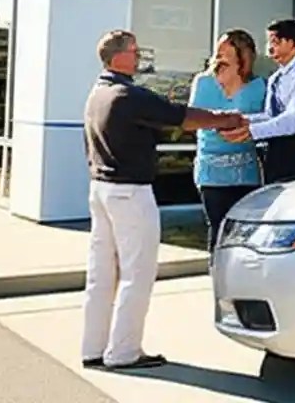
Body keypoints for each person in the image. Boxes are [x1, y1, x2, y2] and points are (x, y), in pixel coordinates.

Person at [81, 29, 244, 370]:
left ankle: (93, 348)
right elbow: (181, 116)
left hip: (100, 190)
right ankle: (124, 353)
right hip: (130, 193)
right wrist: (226, 119)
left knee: (101, 274)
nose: (140, 56)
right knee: (136, 274)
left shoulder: (97, 92)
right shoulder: (128, 94)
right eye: (135, 50)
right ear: (119, 57)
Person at [188, 29, 267, 253]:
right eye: (218, 49)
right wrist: (227, 122)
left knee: (246, 232)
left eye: (226, 48)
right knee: (219, 228)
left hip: (247, 171)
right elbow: (195, 119)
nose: (219, 52)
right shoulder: (204, 82)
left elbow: (264, 121)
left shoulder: (259, 86)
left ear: (242, 54)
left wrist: (245, 126)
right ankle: (217, 278)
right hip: (211, 171)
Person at [220, 19, 295, 183]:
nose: (269, 47)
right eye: (269, 42)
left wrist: (252, 131)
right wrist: (239, 120)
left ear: (291, 43)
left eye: (275, 41)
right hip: (276, 147)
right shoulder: (276, 78)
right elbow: (270, 115)